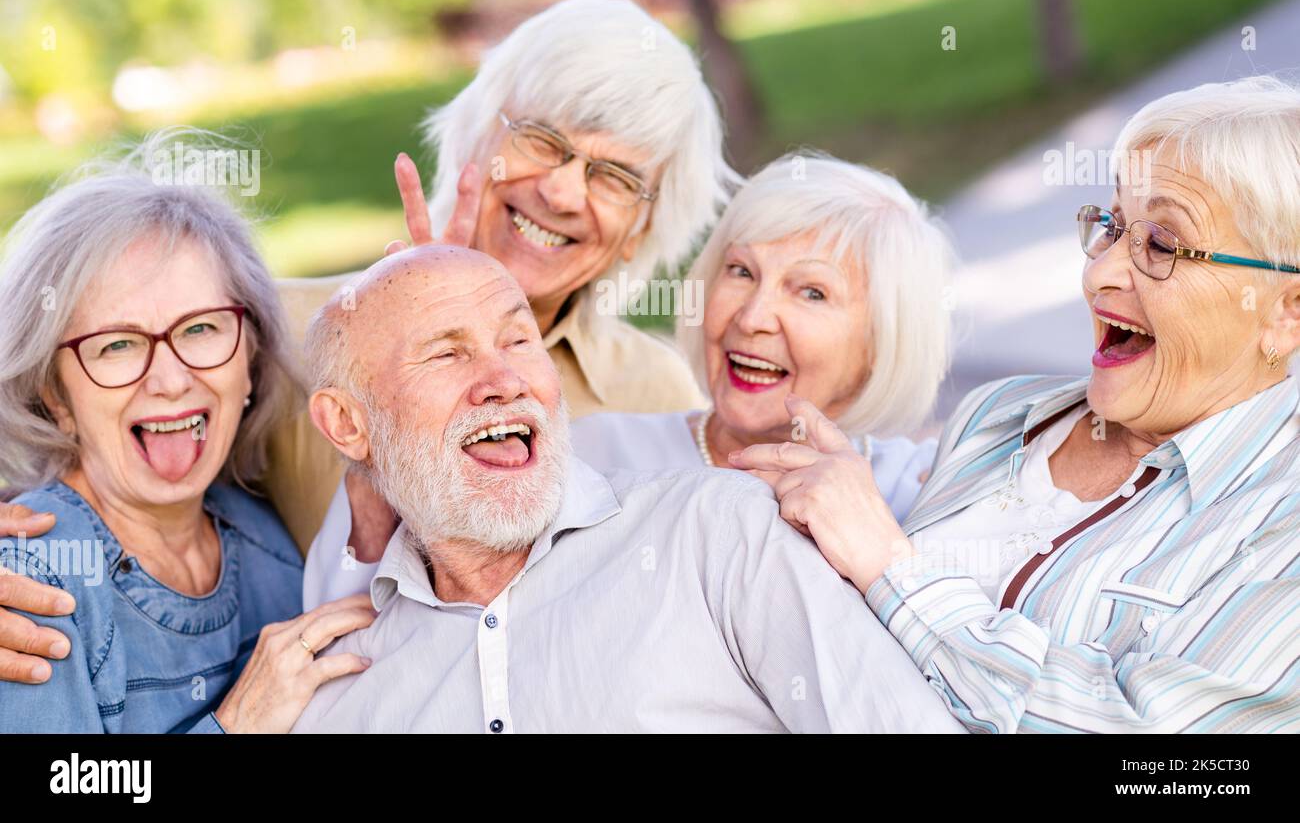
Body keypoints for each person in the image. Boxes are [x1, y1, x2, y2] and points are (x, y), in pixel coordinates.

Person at [732, 76, 1300, 732]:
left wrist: (891, 569)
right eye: (1113, 227)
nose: (1102, 272)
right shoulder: (998, 415)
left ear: (1286, 312)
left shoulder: (1279, 526)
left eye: (1163, 246)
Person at [291, 243, 962, 732]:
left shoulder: (719, 532)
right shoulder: (340, 689)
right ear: (348, 424)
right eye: (446, 352)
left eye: (519, 340)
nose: (505, 379)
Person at [304, 152, 956, 605]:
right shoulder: (594, 452)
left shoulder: (916, 497)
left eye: (812, 293)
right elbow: (364, 626)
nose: (754, 316)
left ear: (880, 344)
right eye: (741, 273)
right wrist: (399, 373)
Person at [265, 0, 738, 554]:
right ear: (477, 131)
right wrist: (412, 316)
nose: (562, 192)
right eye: (541, 139)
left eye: (614, 176)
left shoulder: (658, 392)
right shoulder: (280, 335)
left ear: (641, 229)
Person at [0, 132, 372, 729]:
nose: (170, 380)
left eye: (200, 329)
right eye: (116, 344)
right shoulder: (33, 589)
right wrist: (237, 723)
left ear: (250, 357)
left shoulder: (264, 539)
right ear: (56, 397)